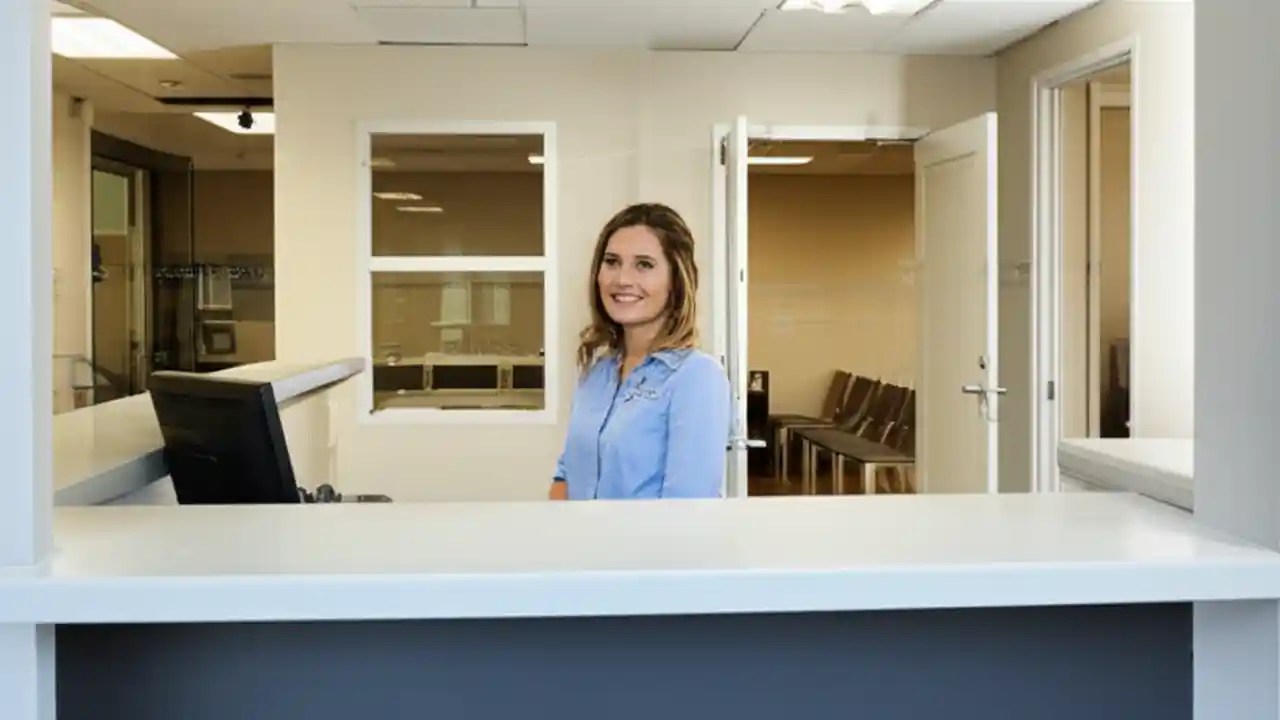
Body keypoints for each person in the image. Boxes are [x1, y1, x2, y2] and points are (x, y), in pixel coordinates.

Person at [549, 203, 730, 500]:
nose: (622, 279)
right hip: (581, 545)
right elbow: (565, 476)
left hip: (646, 547)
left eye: (644, 264)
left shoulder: (696, 378)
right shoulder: (597, 372)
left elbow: (688, 511)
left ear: (676, 280)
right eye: (611, 262)